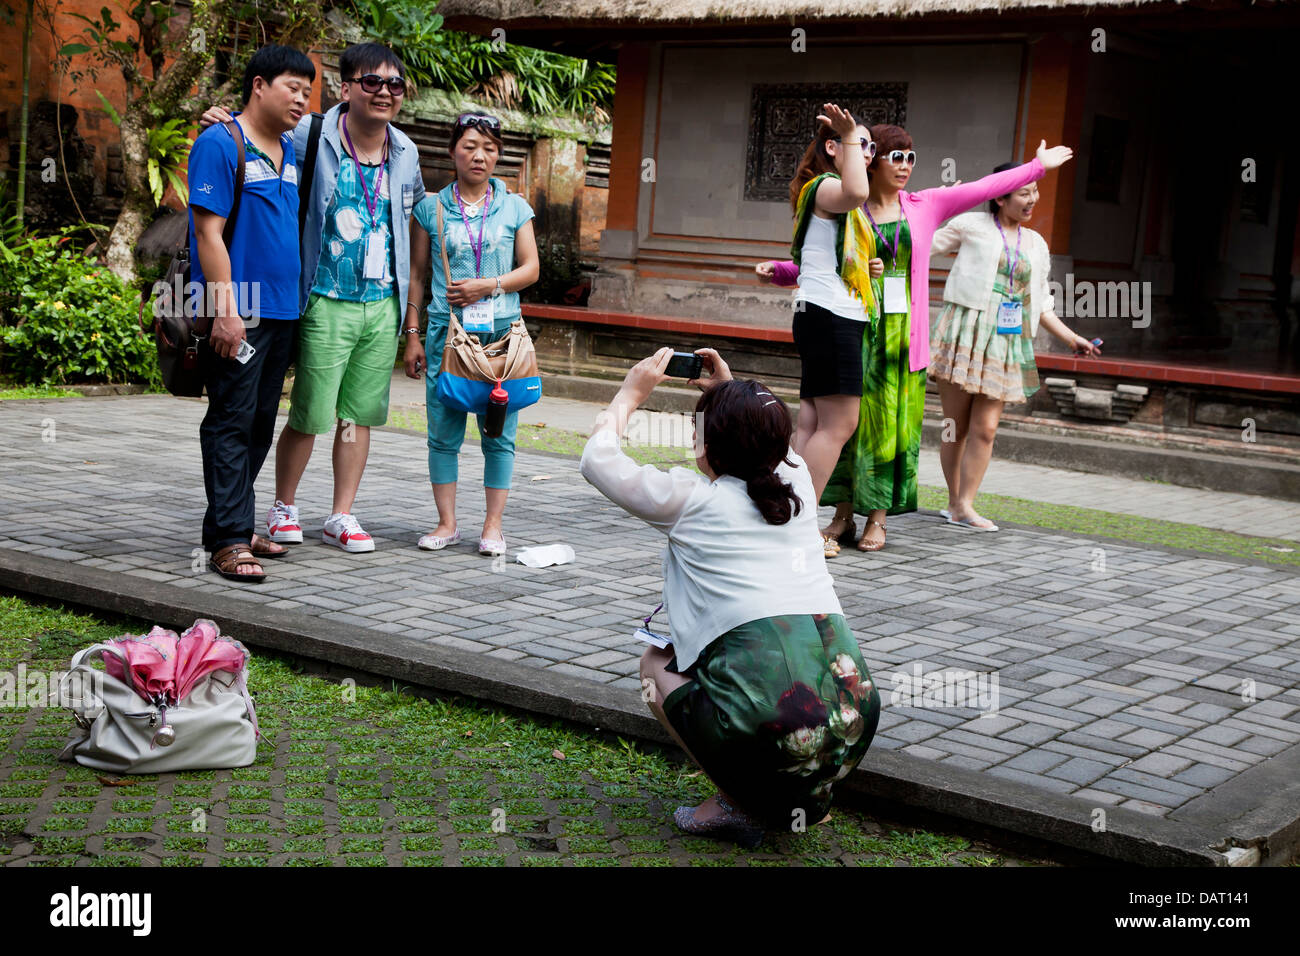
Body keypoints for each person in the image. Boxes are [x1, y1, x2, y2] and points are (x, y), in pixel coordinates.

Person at [580, 347, 881, 846]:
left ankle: (739, 803)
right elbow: (771, 444)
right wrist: (733, 392)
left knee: (655, 665)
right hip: (857, 714)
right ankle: (807, 802)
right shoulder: (799, 483)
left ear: (707, 446)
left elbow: (598, 459)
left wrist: (631, 394)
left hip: (784, 729)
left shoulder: (690, 500)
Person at [762, 134, 1074, 552]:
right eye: (896, 156)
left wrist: (1037, 168)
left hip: (903, 335)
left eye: (911, 157)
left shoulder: (925, 205)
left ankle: (878, 519)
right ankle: (840, 514)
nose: (906, 164)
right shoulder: (851, 203)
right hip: (856, 326)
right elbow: (820, 260)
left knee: (891, 426)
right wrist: (782, 272)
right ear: (872, 162)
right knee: (846, 427)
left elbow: (983, 188)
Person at [203, 43, 426, 554]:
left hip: (381, 300)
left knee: (359, 415)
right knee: (310, 411)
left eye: (395, 85)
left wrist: (411, 316)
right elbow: (253, 131)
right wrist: (221, 120)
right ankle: (284, 505)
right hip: (322, 295)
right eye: (372, 82)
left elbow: (411, 232)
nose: (385, 93)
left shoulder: (407, 152)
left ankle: (341, 514)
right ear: (347, 88)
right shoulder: (311, 131)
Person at [189, 45, 315, 582]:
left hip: (284, 311)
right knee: (231, 420)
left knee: (261, 420)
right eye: (294, 88)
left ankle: (228, 526)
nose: (302, 100)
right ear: (259, 85)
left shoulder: (290, 149)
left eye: (309, 93)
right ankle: (231, 540)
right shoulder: (221, 142)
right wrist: (226, 309)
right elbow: (206, 232)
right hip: (241, 310)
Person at [929, 164, 1102, 531]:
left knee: (987, 428)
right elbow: (920, 246)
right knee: (952, 426)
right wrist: (942, 204)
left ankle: (966, 505)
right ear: (999, 195)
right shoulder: (970, 226)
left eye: (1034, 192)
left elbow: (1040, 303)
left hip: (1007, 341)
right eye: (1024, 193)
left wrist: (1071, 338)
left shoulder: (1036, 243)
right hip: (965, 332)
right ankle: (953, 501)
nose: (1032, 199)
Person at [403, 112, 539, 555]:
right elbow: (418, 277)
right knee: (442, 433)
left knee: (499, 433)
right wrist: (412, 334)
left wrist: (490, 285)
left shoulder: (516, 207)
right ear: (452, 152)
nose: (479, 156)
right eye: (469, 146)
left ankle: (493, 527)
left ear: (499, 154)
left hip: (501, 337)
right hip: (447, 333)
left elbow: (531, 269)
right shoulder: (431, 208)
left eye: (489, 148)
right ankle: (446, 524)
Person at [779, 105, 878, 558]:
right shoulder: (826, 186)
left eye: (868, 146)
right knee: (840, 423)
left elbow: (833, 254)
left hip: (821, 311)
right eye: (859, 144)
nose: (867, 153)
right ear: (832, 148)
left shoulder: (823, 194)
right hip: (829, 315)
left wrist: (867, 266)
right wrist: (850, 132)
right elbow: (858, 190)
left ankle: (785, 512)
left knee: (814, 422)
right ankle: (799, 522)